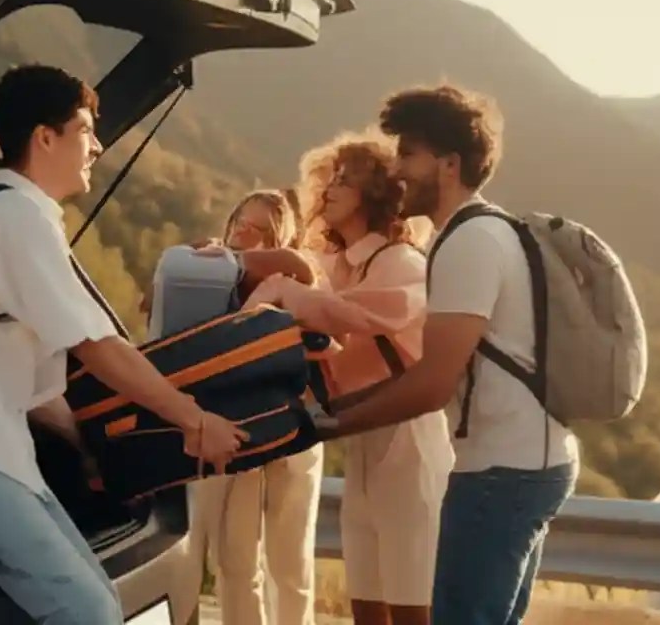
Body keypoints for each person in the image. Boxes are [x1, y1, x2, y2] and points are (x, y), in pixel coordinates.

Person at [0, 64, 247, 625]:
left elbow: (41, 395)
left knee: (100, 600)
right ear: (45, 138)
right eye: (86, 130)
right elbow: (98, 346)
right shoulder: (12, 216)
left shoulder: (19, 217)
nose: (97, 146)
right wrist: (192, 418)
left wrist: (91, 456)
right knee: (86, 609)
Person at [311, 85, 580, 625]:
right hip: (522, 464)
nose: (397, 170)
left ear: (450, 164)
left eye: (409, 154)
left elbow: (432, 382)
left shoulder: (470, 242)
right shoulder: (476, 234)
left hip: (502, 472)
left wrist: (330, 423)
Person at [240, 135, 453, 625]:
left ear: (374, 192)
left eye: (345, 179)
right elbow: (298, 283)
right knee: (367, 610)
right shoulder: (339, 266)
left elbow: (349, 315)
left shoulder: (401, 262)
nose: (330, 188)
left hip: (408, 447)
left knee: (411, 612)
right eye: (330, 178)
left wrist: (285, 290)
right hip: (359, 445)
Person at [182, 189, 323, 625]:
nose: (243, 232)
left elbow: (300, 269)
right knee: (237, 562)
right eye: (240, 221)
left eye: (258, 228)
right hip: (240, 432)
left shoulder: (293, 281)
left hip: (295, 432)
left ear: (279, 238)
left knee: (291, 565)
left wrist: (233, 260)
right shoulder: (208, 279)